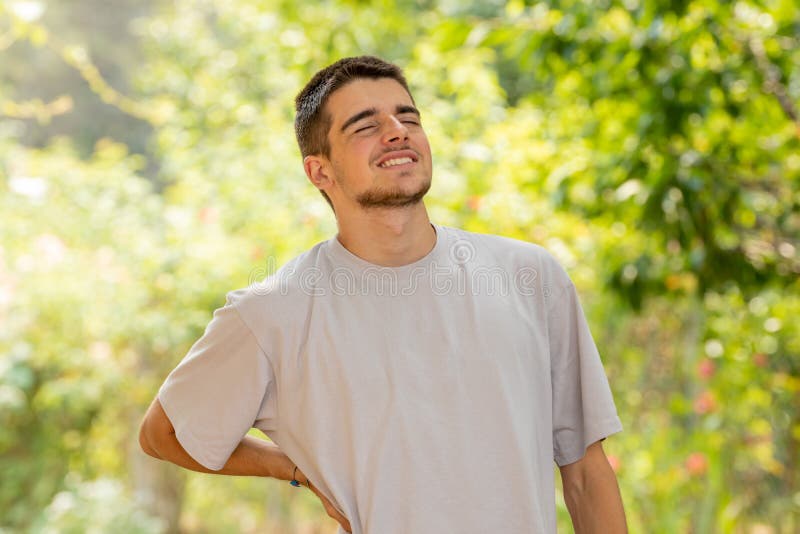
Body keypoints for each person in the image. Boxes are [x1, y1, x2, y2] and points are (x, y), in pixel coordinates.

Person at [139, 55, 628, 534]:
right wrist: (290, 466)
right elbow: (164, 434)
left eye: (408, 116)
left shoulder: (529, 277)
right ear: (320, 172)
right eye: (365, 126)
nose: (398, 130)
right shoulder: (273, 313)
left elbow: (585, 473)